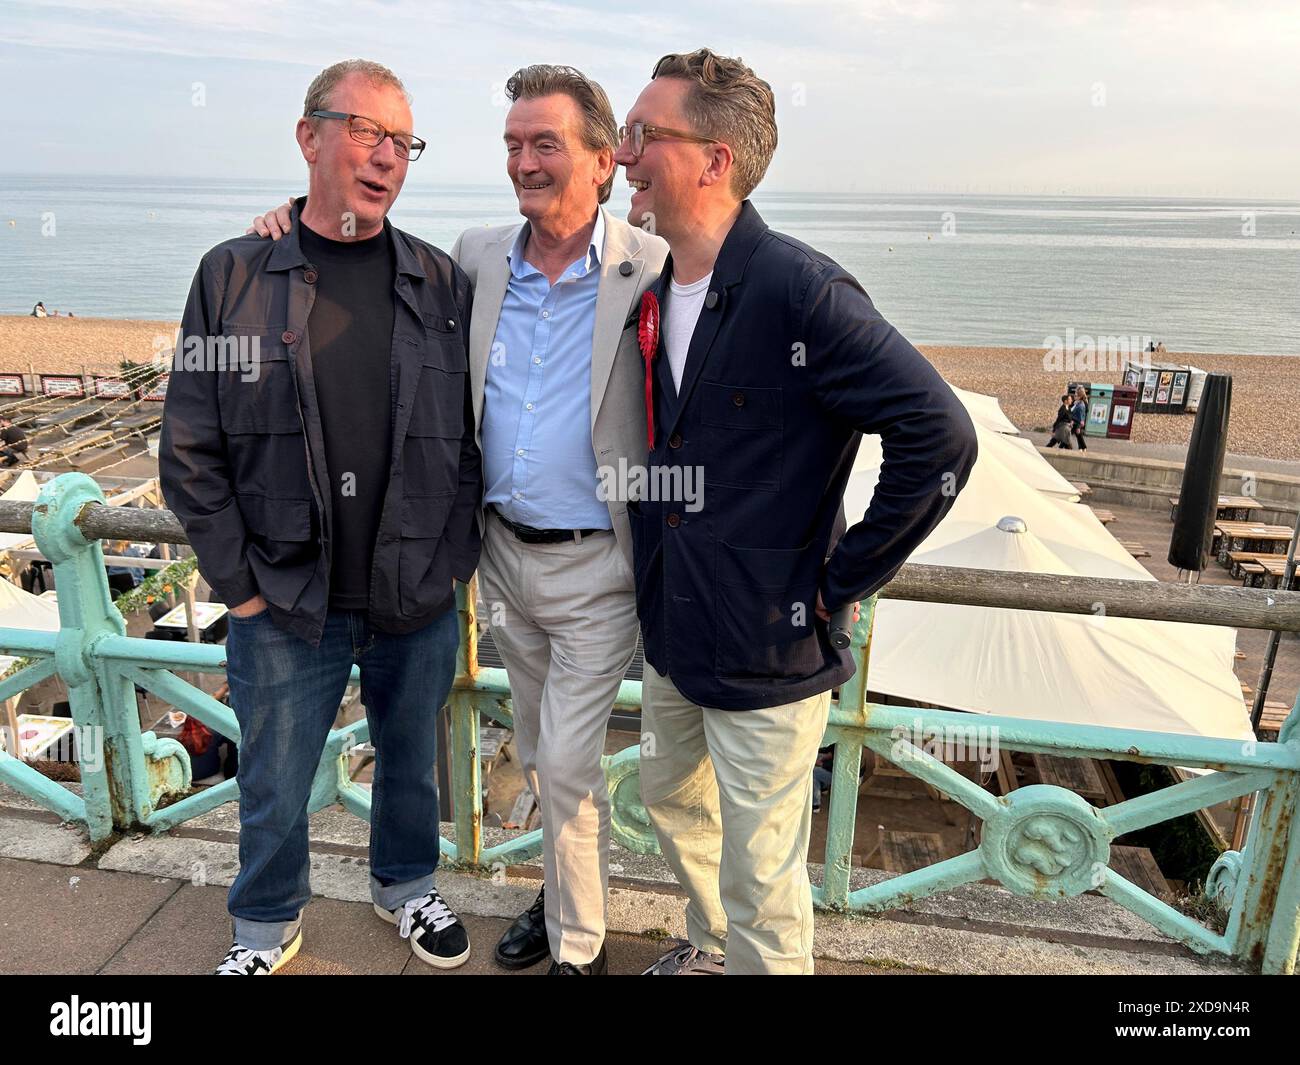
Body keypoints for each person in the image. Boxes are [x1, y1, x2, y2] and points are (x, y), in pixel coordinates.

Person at [249, 64, 668, 977]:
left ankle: (580, 950)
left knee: (563, 764)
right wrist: (284, 218)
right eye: (513, 143)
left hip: (600, 564)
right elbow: (352, 249)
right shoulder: (474, 259)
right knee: (537, 743)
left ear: (601, 160)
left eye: (545, 143)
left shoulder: (652, 264)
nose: (523, 160)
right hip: (502, 561)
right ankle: (559, 900)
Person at [614, 49, 978, 974]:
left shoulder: (799, 288)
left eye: (645, 134)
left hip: (771, 644)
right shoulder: (652, 281)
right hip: (674, 627)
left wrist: (844, 576)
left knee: (765, 875)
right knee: (670, 801)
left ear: (713, 160)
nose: (624, 155)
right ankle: (707, 948)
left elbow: (940, 437)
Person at [159, 59, 483, 976]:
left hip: (413, 589)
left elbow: (469, 441)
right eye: (368, 132)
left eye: (404, 142)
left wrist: (449, 562)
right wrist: (242, 591)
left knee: (411, 764)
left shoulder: (438, 280)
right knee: (270, 778)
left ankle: (405, 884)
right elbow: (189, 447)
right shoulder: (234, 275)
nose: (388, 158)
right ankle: (264, 925)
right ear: (310, 137)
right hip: (283, 593)